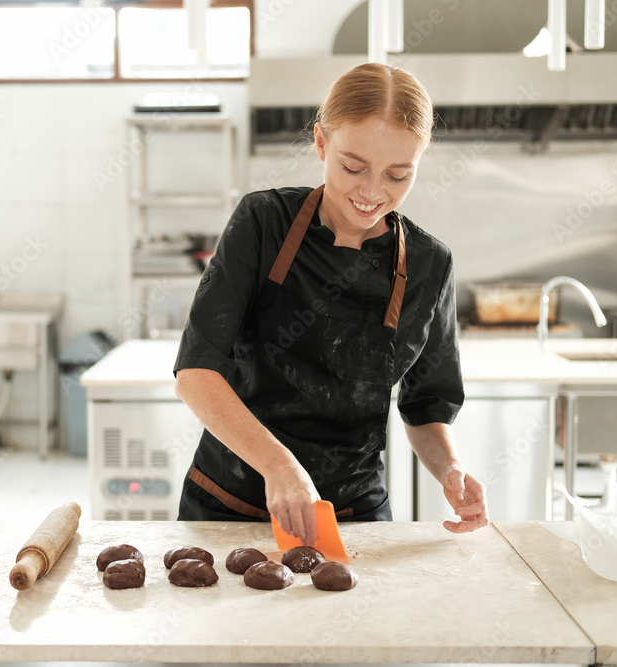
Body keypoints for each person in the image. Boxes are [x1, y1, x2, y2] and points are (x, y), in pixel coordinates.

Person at [172, 62, 488, 544]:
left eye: (398, 175)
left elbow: (425, 406)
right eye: (353, 167)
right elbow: (196, 374)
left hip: (352, 519)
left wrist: (451, 470)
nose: (372, 192)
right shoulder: (263, 224)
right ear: (321, 143)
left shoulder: (429, 264)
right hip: (228, 510)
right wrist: (280, 467)